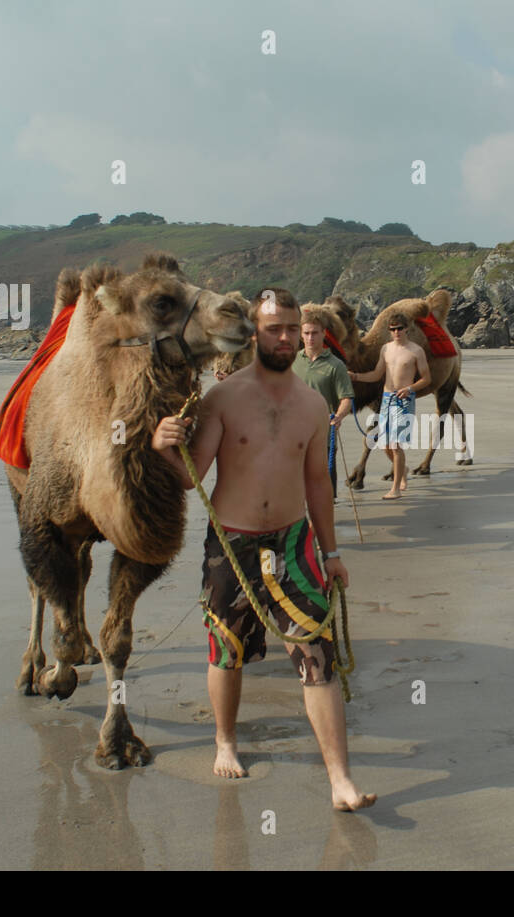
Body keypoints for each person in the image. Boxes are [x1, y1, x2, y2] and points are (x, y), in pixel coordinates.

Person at [150, 287, 375, 811]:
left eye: (292, 329)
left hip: (294, 543)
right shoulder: (223, 399)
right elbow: (191, 478)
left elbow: (318, 482)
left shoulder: (313, 404)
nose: (284, 337)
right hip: (232, 544)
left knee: (318, 653)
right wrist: (163, 447)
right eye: (274, 328)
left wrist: (332, 552)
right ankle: (225, 741)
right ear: (255, 331)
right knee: (226, 648)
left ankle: (340, 779)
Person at [349, 318, 431, 500]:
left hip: (404, 401)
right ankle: (402, 469)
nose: (396, 332)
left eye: (399, 329)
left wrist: (410, 389)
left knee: (395, 444)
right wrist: (356, 377)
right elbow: (377, 374)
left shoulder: (416, 351)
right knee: (385, 443)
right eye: (392, 329)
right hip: (387, 399)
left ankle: (396, 489)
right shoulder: (386, 349)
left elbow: (426, 379)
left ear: (406, 329)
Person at [291, 311, 353, 501]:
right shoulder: (292, 362)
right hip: (294, 432)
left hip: (324, 432)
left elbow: (346, 398)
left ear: (324, 333)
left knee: (324, 482)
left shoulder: (336, 366)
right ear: (301, 334)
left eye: (315, 333)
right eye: (307, 333)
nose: (310, 337)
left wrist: (339, 416)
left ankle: (327, 513)